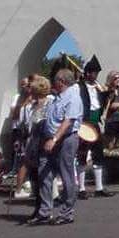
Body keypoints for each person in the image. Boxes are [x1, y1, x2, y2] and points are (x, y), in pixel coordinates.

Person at [29, 67, 83, 226]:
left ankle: (67, 212)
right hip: (49, 140)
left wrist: (54, 138)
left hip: (65, 140)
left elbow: (68, 121)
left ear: (62, 81)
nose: (53, 82)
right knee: (43, 173)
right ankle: (44, 212)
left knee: (66, 176)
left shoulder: (73, 98)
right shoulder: (57, 98)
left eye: (56, 79)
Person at [77, 55, 115, 198]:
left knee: (98, 154)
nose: (95, 76)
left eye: (97, 73)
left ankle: (99, 187)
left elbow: (103, 103)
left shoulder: (98, 88)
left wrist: (107, 93)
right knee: (82, 154)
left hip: (95, 123)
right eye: (94, 73)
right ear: (87, 73)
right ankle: (81, 188)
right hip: (84, 123)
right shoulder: (79, 87)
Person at [20, 75, 51, 220]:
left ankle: (45, 209)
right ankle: (38, 207)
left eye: (32, 88)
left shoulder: (50, 103)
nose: (30, 91)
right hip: (32, 143)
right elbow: (26, 125)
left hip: (44, 142)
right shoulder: (29, 106)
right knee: (34, 177)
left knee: (44, 177)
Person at [9, 76, 32, 195]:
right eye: (22, 85)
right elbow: (15, 116)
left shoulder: (34, 98)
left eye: (27, 85)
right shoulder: (18, 98)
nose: (24, 87)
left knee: (29, 162)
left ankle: (29, 185)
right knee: (24, 161)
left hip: (31, 132)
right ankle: (18, 189)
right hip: (22, 132)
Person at [101, 69, 119, 147]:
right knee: (110, 143)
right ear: (111, 79)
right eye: (115, 78)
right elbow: (110, 105)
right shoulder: (107, 90)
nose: (118, 79)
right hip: (111, 120)